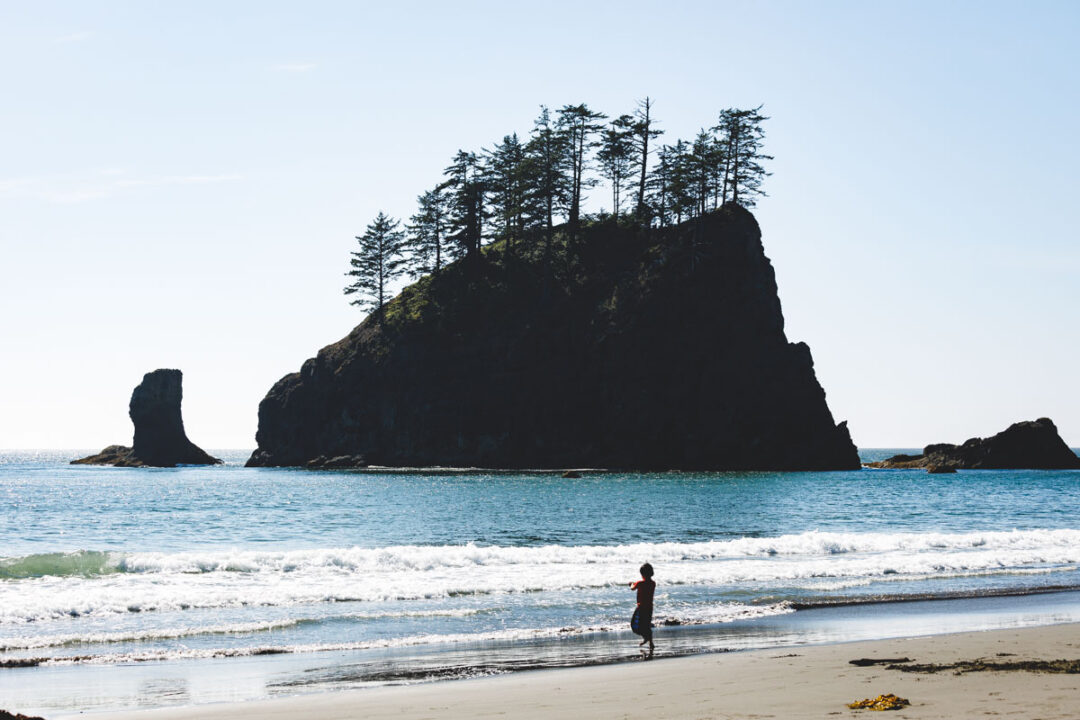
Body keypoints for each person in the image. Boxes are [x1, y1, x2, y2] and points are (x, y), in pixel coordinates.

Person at [629, 562, 656, 652]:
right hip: (649, 608)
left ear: (642, 574)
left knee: (634, 625)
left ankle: (646, 637)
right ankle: (650, 642)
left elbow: (632, 588)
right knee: (647, 625)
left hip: (641, 608)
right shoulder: (653, 583)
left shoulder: (640, 583)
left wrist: (631, 584)